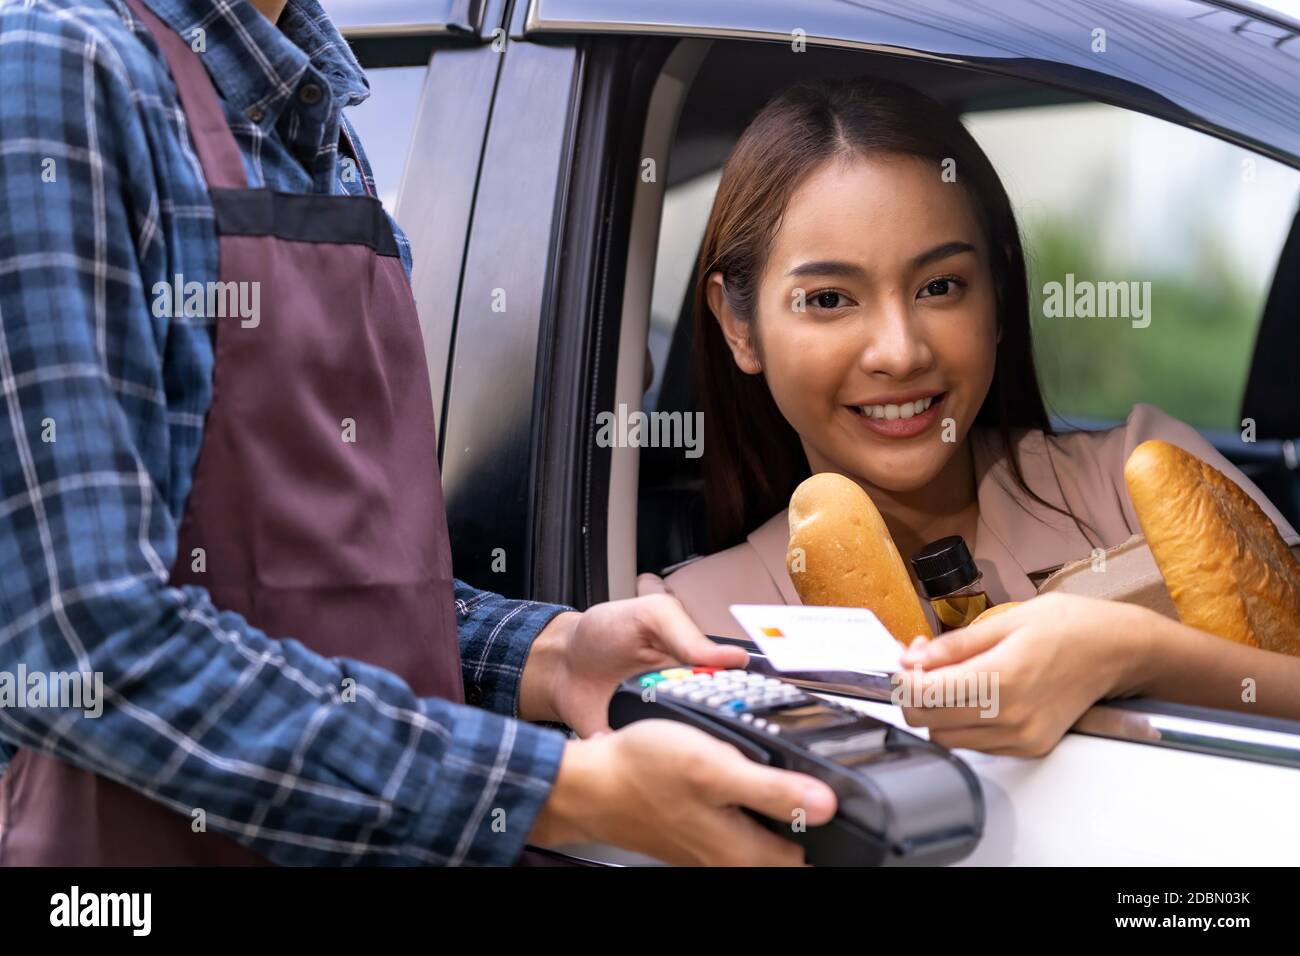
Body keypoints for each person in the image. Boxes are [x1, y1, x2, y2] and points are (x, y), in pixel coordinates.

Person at [0, 0, 837, 866]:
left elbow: (331, 599)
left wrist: (554, 656)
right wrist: (562, 791)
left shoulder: (323, 118)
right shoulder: (64, 66)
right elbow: (76, 643)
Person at [638, 77, 1300, 756]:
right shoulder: (694, 623)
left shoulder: (1145, 479)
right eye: (830, 299)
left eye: (940, 286)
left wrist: (1140, 654)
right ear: (740, 327)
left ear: (999, 295)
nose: (899, 352)